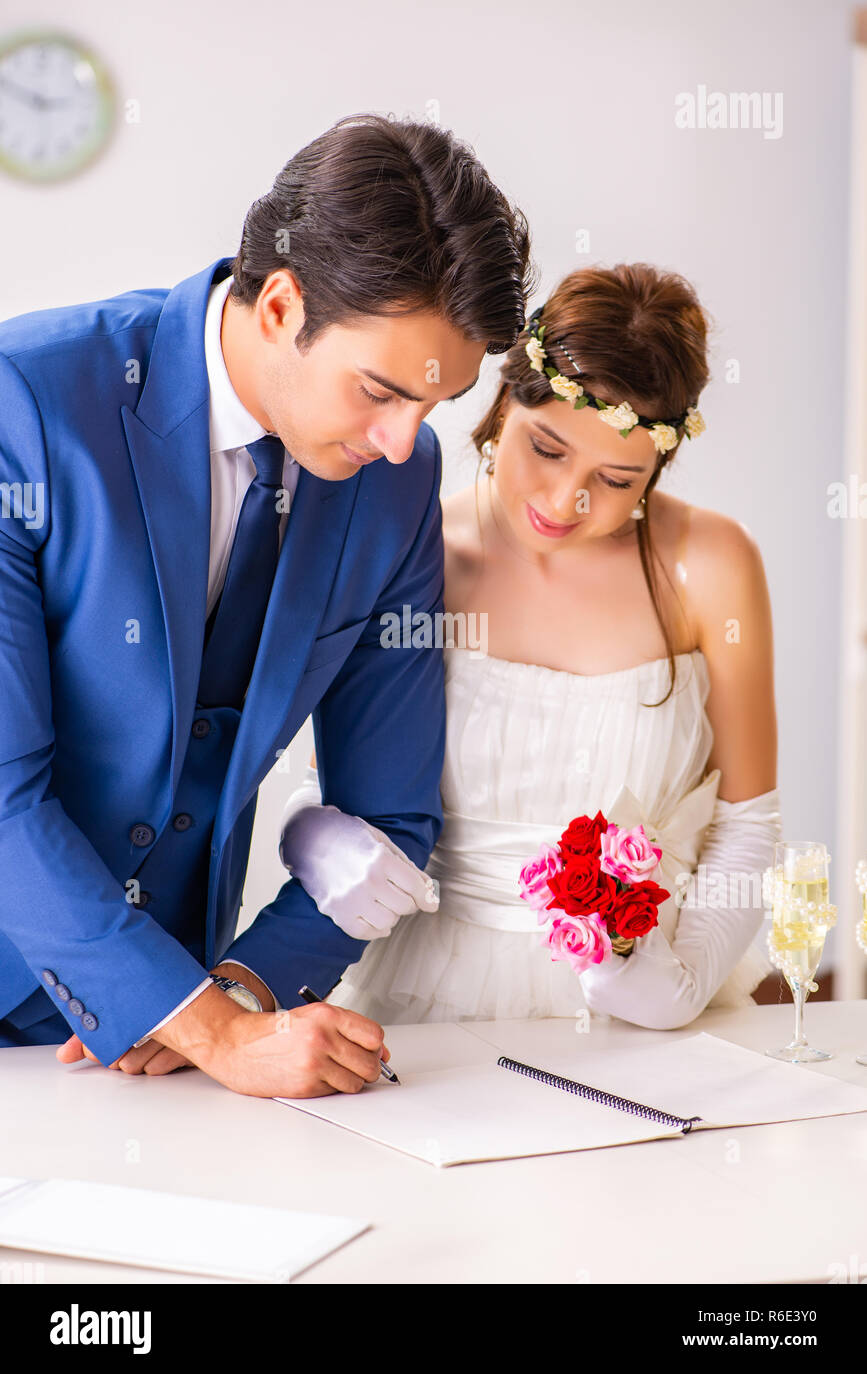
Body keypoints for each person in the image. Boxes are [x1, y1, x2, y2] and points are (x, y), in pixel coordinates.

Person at [0, 111, 534, 1093]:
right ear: (282, 305)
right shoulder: (23, 403)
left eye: (436, 403)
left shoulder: (400, 478)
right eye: (379, 390)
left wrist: (237, 996)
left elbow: (388, 812)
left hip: (167, 1057)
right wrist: (206, 1026)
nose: (404, 439)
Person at [280, 262, 783, 1029]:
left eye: (615, 479)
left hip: (646, 989)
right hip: (428, 989)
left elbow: (747, 825)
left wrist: (683, 977)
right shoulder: (415, 552)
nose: (564, 502)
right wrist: (310, 838)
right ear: (502, 401)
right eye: (545, 449)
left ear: (657, 466)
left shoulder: (710, 564)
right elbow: (328, 788)